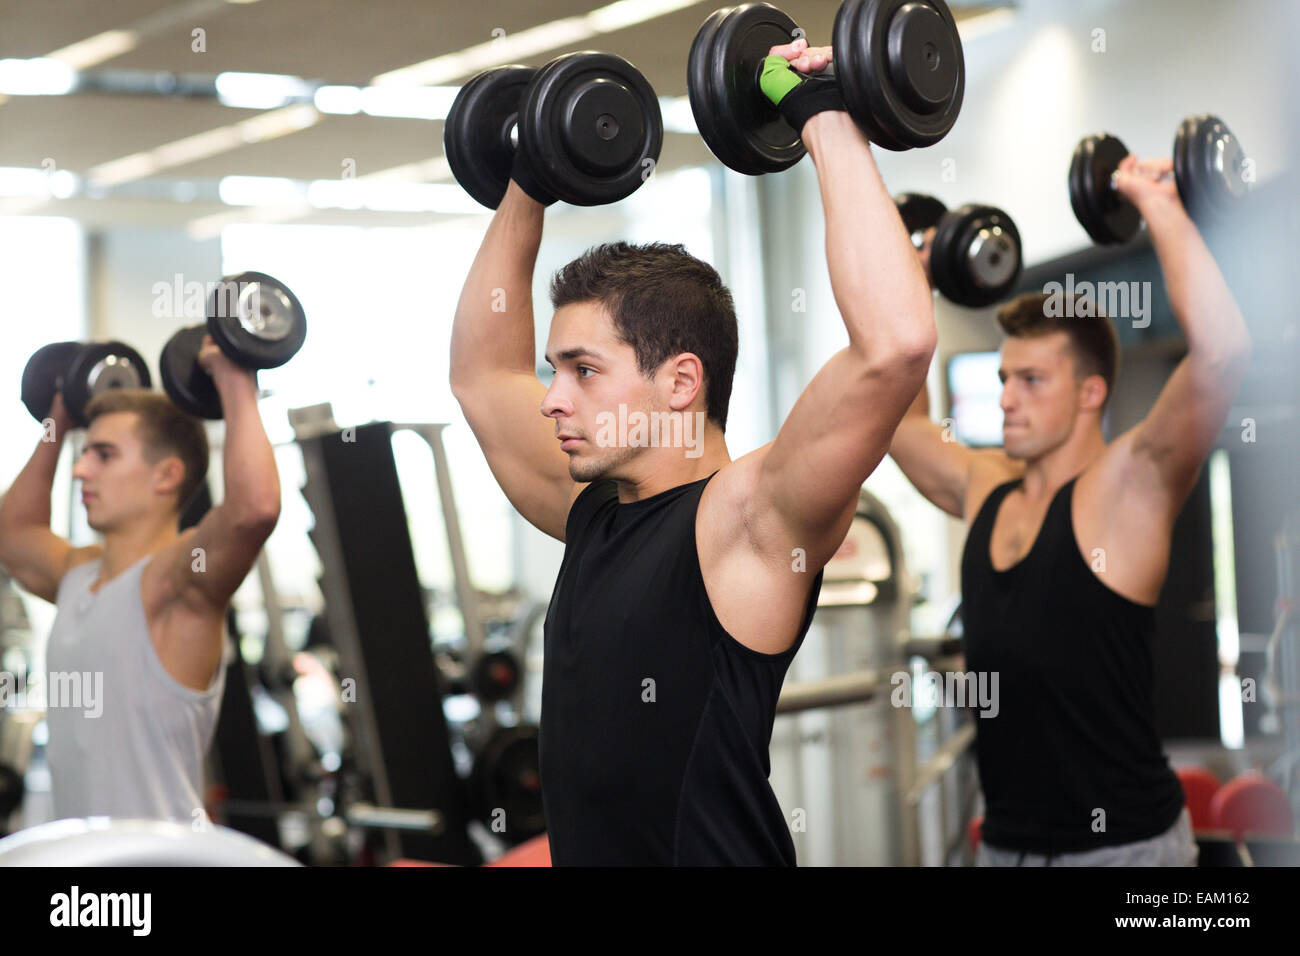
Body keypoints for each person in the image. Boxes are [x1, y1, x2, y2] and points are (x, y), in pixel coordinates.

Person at [450, 38, 935, 865]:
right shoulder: (594, 514)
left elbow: (894, 345)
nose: (553, 398)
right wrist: (530, 174)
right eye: (554, 370)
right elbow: (479, 374)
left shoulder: (743, 523)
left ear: (681, 383)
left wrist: (819, 118)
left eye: (584, 370)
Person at [888, 154, 1252, 865]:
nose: (1004, 399)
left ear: (1091, 393)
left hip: (1123, 850)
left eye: (1029, 380)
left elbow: (1221, 352)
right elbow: (899, 420)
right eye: (1002, 379)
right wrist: (919, 273)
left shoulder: (1130, 487)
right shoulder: (984, 484)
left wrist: (1158, 203)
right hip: (1008, 847)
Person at [0, 338, 281, 822]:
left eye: (104, 455)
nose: (81, 471)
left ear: (167, 476)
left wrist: (235, 377)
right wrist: (58, 422)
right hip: (89, 878)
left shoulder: (175, 583)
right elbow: (13, 534)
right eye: (83, 453)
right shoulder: (76, 573)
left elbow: (252, 510)